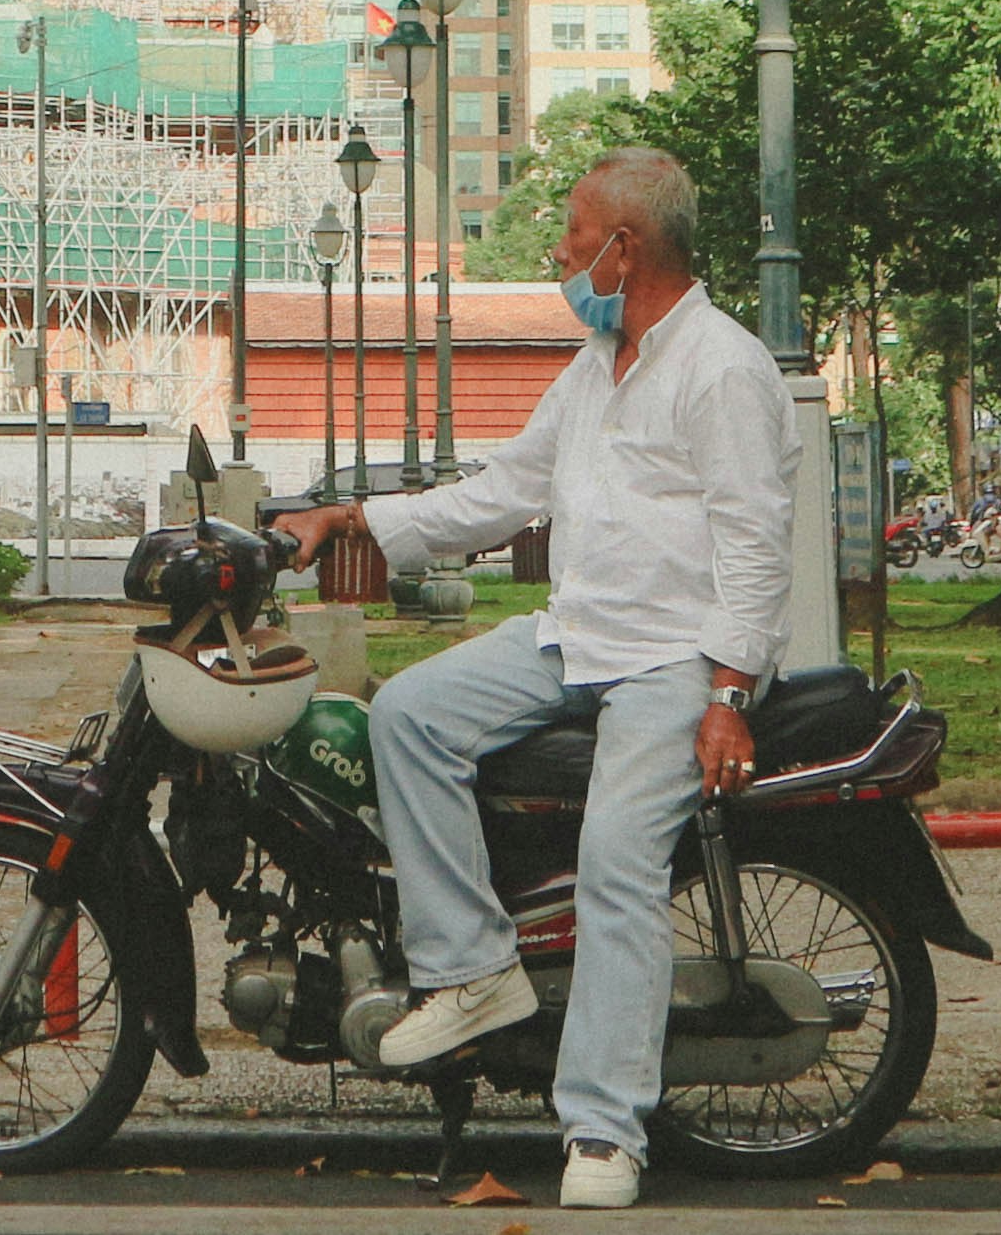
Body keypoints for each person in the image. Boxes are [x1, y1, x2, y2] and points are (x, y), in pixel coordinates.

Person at [285, 147, 792, 1214]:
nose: (557, 253)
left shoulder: (721, 367)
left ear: (623, 247)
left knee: (617, 858)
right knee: (409, 714)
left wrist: (728, 695)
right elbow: (505, 492)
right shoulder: (594, 365)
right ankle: (471, 970)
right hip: (571, 637)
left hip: (672, 656)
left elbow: (755, 543)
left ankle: (605, 1130)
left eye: (570, 233)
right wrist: (359, 519)